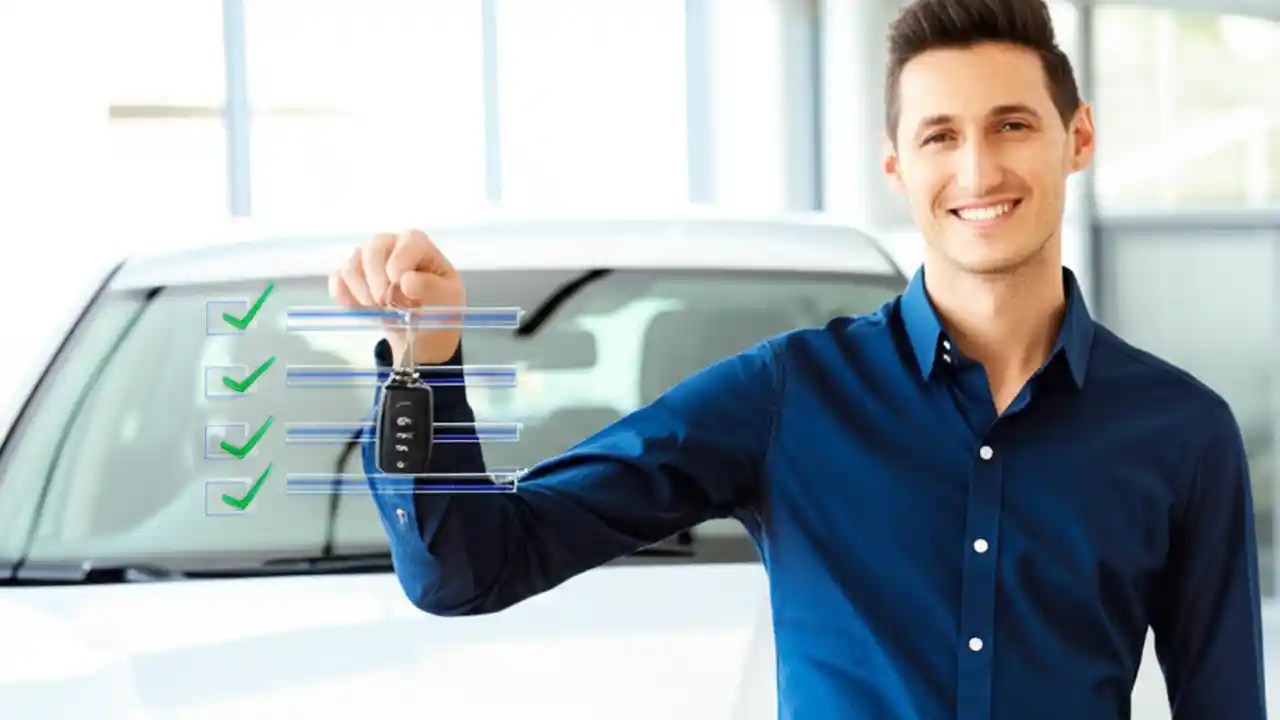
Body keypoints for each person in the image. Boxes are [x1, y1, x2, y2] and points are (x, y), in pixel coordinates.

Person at [327, 0, 1267, 716]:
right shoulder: (788, 398)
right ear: (897, 166)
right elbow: (472, 569)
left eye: (1012, 125)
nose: (978, 170)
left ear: (1079, 138)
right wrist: (422, 365)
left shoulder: (1180, 434)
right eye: (940, 135)